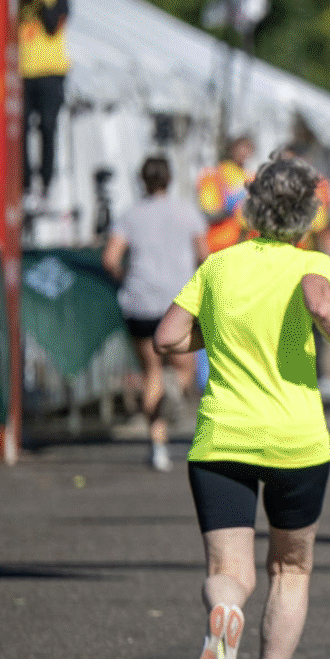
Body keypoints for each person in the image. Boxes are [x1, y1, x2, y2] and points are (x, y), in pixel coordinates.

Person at [155, 152, 330, 659]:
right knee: (290, 568)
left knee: (230, 569)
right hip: (294, 442)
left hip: (222, 436)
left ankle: (223, 611)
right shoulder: (315, 264)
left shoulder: (219, 267)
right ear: (307, 214)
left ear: (250, 207)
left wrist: (218, 333)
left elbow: (167, 336)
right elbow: (320, 303)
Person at [103, 155, 208, 472]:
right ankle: (175, 390)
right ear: (170, 179)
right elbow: (205, 256)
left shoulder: (130, 215)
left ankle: (158, 447)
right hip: (178, 301)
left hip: (140, 301)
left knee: (150, 373)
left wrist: (127, 279)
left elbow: (110, 259)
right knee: (184, 368)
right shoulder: (188, 211)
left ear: (142, 181)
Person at [18, 0, 71, 202]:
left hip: (51, 73)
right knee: (19, 128)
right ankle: (25, 181)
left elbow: (52, 25)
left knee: (47, 127)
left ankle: (47, 181)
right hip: (24, 74)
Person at [198, 135, 255, 254]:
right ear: (231, 149)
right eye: (240, 147)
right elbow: (207, 212)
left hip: (245, 248)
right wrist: (230, 208)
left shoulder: (251, 177)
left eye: (247, 148)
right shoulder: (213, 175)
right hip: (218, 244)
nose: (243, 152)